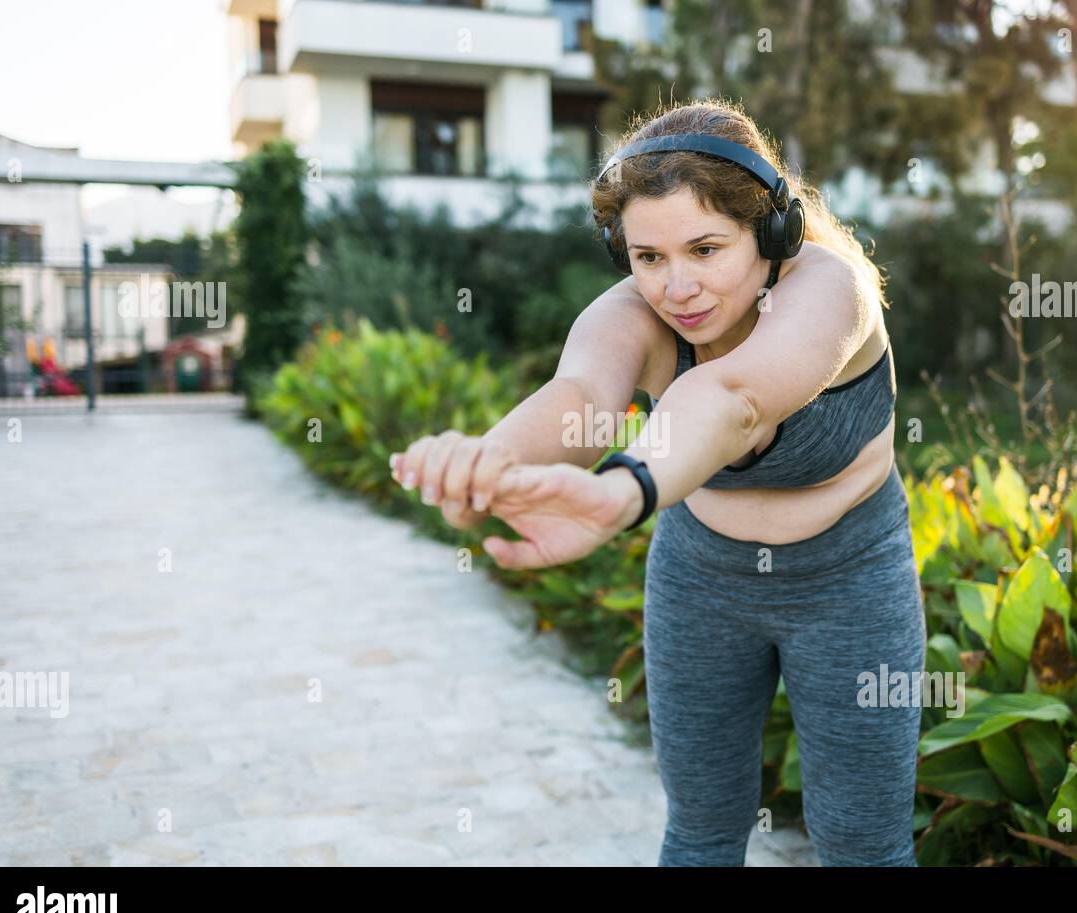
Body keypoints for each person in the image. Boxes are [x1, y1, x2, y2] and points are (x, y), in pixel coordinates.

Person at [391, 98, 927, 867]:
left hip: (851, 581)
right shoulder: (636, 317)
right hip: (700, 581)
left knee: (863, 844)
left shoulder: (829, 291)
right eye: (649, 257)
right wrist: (488, 462)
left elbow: (734, 399)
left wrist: (623, 492)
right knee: (702, 830)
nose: (677, 288)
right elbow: (577, 399)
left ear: (772, 232)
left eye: (706, 249)